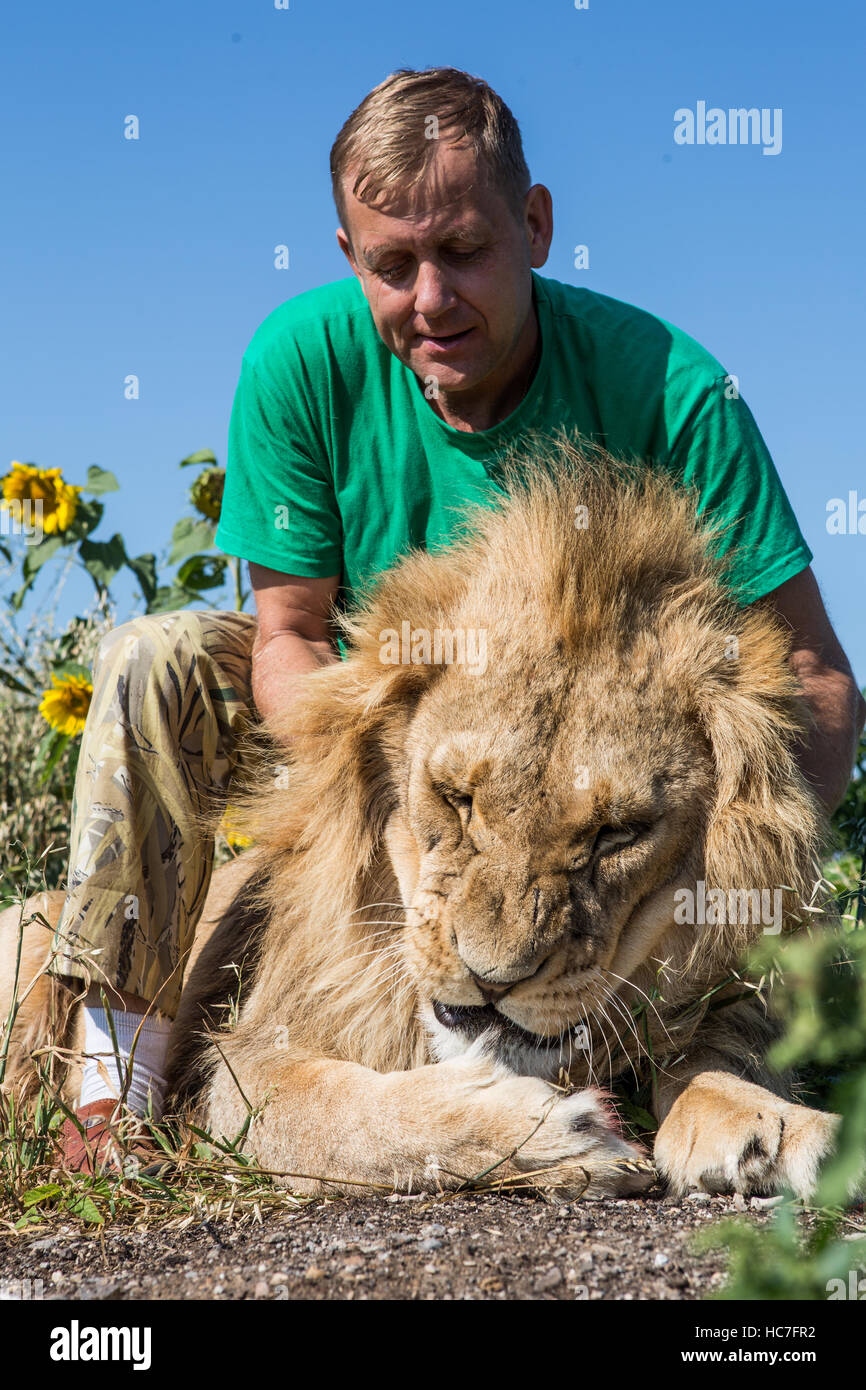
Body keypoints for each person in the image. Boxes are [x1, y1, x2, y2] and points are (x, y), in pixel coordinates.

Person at [52, 66, 866, 1170]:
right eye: (392, 265)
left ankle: (695, 1067)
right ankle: (110, 1089)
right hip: (394, 727)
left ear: (534, 226)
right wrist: (356, 782)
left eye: (464, 251)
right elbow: (288, 632)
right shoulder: (300, 359)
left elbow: (812, 675)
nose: (430, 299)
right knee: (154, 652)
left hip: (584, 745)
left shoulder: (671, 387)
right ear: (349, 260)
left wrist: (746, 892)